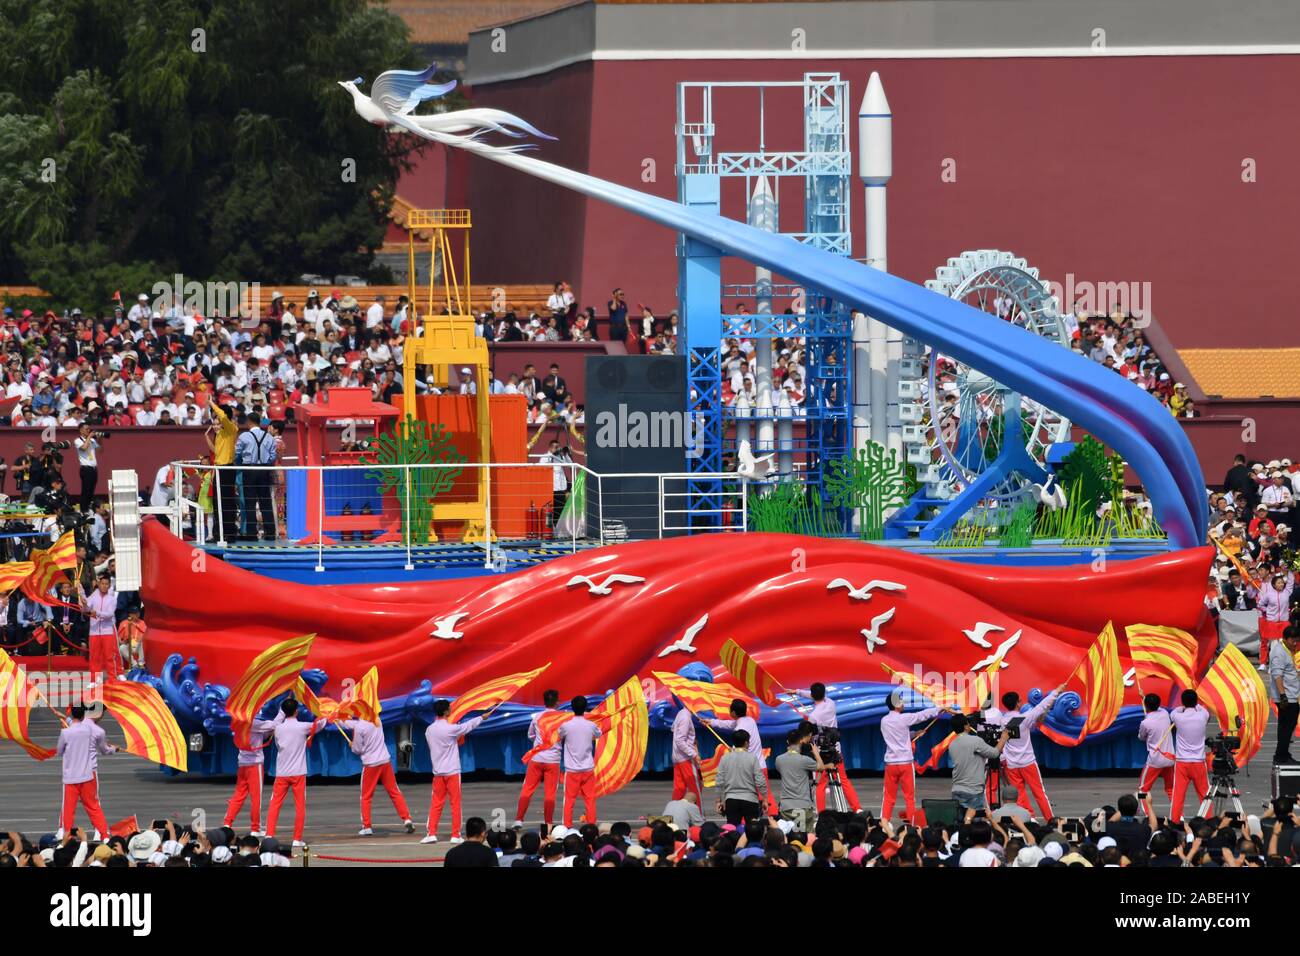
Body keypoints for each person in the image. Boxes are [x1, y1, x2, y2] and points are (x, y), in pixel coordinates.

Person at [988, 684, 1064, 821]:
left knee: (1020, 794)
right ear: (1018, 703)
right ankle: (1050, 820)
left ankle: (1031, 819)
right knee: (1039, 793)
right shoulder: (1024, 718)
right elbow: (1042, 706)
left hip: (1011, 765)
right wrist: (1056, 691)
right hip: (1028, 762)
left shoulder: (1002, 720)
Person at [879, 688, 948, 824]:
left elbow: (897, 736)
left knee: (888, 797)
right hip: (905, 764)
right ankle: (913, 824)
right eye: (901, 701)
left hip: (891, 764)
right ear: (897, 704)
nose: (903, 703)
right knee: (909, 797)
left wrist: (915, 734)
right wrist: (939, 709)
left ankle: (883, 823)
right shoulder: (904, 718)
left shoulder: (884, 721)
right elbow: (922, 715)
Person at [422, 699, 485, 844]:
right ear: (445, 712)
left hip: (438, 772)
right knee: (455, 803)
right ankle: (455, 835)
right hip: (452, 771)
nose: (451, 709)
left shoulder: (429, 730)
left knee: (436, 803)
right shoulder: (450, 729)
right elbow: (468, 726)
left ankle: (431, 833)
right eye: (449, 708)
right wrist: (481, 717)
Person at [339, 716, 414, 835]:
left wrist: (352, 745)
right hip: (385, 760)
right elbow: (353, 724)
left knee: (365, 797)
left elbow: (357, 749)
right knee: (394, 792)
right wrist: (338, 720)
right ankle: (407, 819)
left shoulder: (360, 727)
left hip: (371, 764)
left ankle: (367, 826)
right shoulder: (376, 719)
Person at [265, 697, 325, 848]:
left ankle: (269, 834)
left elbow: (277, 723)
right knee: (300, 806)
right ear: (297, 711)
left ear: (283, 711)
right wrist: (325, 713)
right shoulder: (303, 727)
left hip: (282, 772)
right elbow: (320, 725)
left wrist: (282, 710)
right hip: (298, 772)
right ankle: (297, 838)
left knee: (274, 804)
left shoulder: (277, 728)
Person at [56, 704, 116, 840]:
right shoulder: (94, 730)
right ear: (84, 714)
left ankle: (66, 836)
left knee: (68, 809)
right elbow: (104, 749)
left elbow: (59, 751)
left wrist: (67, 725)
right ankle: (104, 835)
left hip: (71, 777)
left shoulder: (66, 732)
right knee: (94, 807)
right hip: (87, 775)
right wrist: (114, 749)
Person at [705, 699, 775, 813]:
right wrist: (711, 722)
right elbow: (729, 724)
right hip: (760, 766)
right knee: (766, 796)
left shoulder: (739, 729)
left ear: (733, 713)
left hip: (749, 768)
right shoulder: (750, 720)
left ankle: (747, 824)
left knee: (748, 797)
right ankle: (774, 819)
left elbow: (738, 749)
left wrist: (732, 750)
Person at [804, 682, 861, 812]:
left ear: (812, 695)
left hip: (821, 755)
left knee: (820, 786)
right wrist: (797, 692)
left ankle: (821, 814)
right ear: (824, 694)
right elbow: (815, 696)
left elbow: (810, 732)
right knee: (844, 781)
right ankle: (858, 809)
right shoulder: (830, 703)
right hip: (836, 750)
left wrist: (798, 693)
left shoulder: (813, 716)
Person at [223, 712, 279, 835]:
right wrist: (282, 711)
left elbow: (261, 735)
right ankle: (255, 828)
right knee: (256, 798)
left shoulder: (239, 722)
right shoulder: (254, 723)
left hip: (242, 763)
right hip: (255, 765)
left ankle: (227, 823)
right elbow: (274, 724)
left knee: (238, 796)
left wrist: (268, 733)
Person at [946, 713, 1009, 820]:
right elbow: (994, 753)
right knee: (975, 824)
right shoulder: (975, 741)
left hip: (957, 789)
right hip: (973, 790)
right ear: (966, 726)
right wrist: (1003, 739)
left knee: (962, 822)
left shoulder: (952, 744)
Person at [514, 688, 562, 829]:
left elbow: (531, 735)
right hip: (553, 760)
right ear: (557, 702)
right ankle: (548, 823)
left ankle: (518, 820)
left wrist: (541, 744)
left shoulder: (537, 717)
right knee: (550, 793)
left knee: (527, 789)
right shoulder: (561, 718)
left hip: (537, 758)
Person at [558, 695, 602, 829]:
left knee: (569, 801)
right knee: (590, 800)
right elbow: (599, 733)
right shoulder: (591, 725)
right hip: (587, 769)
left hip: (572, 770)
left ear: (572, 708)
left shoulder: (566, 726)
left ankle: (567, 827)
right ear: (585, 708)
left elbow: (559, 735)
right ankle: (591, 827)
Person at [1169, 689, 1211, 823]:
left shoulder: (1177, 716)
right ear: (1196, 701)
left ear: (1183, 702)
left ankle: (1174, 822)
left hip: (1182, 762)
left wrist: (1184, 705)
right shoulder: (1203, 715)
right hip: (1199, 761)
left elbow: (1176, 710)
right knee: (1205, 795)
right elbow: (1201, 708)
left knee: (1178, 795)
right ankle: (1209, 821)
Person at [774, 724, 825, 832]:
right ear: (801, 740)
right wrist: (816, 753)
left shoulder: (779, 759)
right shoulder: (804, 760)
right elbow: (821, 767)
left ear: (788, 742)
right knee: (802, 838)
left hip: (786, 807)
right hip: (802, 806)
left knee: (789, 836)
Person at [234, 413, 277, 541]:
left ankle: (251, 533)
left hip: (249, 469)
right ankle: (270, 533)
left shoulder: (244, 436)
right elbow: (273, 456)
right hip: (264, 469)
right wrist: (265, 462)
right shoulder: (269, 436)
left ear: (249, 422)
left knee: (249, 503)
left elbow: (237, 453)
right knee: (266, 502)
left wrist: (242, 462)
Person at [715, 729, 769, 827]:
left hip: (731, 800)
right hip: (750, 800)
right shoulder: (752, 758)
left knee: (732, 831)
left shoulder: (725, 758)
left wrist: (718, 801)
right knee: (752, 832)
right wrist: (765, 798)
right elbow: (760, 781)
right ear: (746, 743)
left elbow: (719, 781)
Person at [1267, 626, 1300, 764]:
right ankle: (1281, 756)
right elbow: (1277, 674)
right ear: (1285, 638)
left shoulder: (1287, 650)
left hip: (1291, 695)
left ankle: (1284, 754)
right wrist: (1283, 696)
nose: (1295, 643)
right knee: (1286, 728)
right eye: (1293, 640)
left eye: (1297, 641)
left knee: (1288, 727)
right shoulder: (1279, 652)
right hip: (1286, 697)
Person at [207, 403, 239, 542]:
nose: (215, 426)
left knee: (226, 502)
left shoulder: (230, 429)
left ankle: (229, 534)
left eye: (217, 423)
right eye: (213, 424)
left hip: (226, 469)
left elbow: (224, 417)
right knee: (217, 502)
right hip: (219, 469)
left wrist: (212, 404)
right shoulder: (219, 435)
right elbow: (217, 454)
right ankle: (218, 533)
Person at [1136, 693, 1175, 806]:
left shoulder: (1145, 723)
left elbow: (1141, 737)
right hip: (1169, 758)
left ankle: (1147, 814)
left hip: (1155, 760)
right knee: (1170, 788)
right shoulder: (1164, 713)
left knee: (1143, 789)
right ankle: (1179, 815)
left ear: (1146, 706)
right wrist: (1144, 699)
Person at [79, 574, 118, 682]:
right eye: (102, 584)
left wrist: (97, 613)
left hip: (107, 631)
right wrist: (84, 603)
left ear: (109, 585)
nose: (104, 586)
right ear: (99, 584)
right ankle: (95, 679)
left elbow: (109, 614)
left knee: (109, 657)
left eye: (106, 584)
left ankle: (112, 679)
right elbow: (85, 610)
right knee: (94, 657)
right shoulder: (93, 597)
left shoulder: (112, 599)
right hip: (94, 631)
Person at [669, 695, 702, 807]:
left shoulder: (681, 713)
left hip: (678, 757)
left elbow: (673, 728)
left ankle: (673, 815)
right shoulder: (686, 717)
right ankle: (699, 817)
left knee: (680, 789)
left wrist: (691, 738)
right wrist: (693, 754)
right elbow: (680, 740)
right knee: (695, 788)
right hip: (686, 758)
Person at [73, 423, 100, 513]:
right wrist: (89, 438)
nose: (89, 431)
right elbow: (84, 448)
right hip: (86, 468)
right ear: (81, 430)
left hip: (93, 468)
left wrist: (100, 439)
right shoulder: (77, 440)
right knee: (86, 490)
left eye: (89, 429)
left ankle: (87, 508)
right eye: (86, 429)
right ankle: (83, 510)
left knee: (91, 490)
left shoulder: (92, 440)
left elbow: (100, 450)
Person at [116, 605, 146, 672]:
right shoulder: (124, 623)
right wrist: (123, 642)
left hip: (139, 646)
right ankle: (134, 664)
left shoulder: (142, 622)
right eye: (134, 613)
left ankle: (141, 663)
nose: (137, 614)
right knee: (122, 647)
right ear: (130, 614)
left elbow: (145, 635)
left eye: (137, 612)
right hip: (129, 645)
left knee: (142, 641)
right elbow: (118, 638)